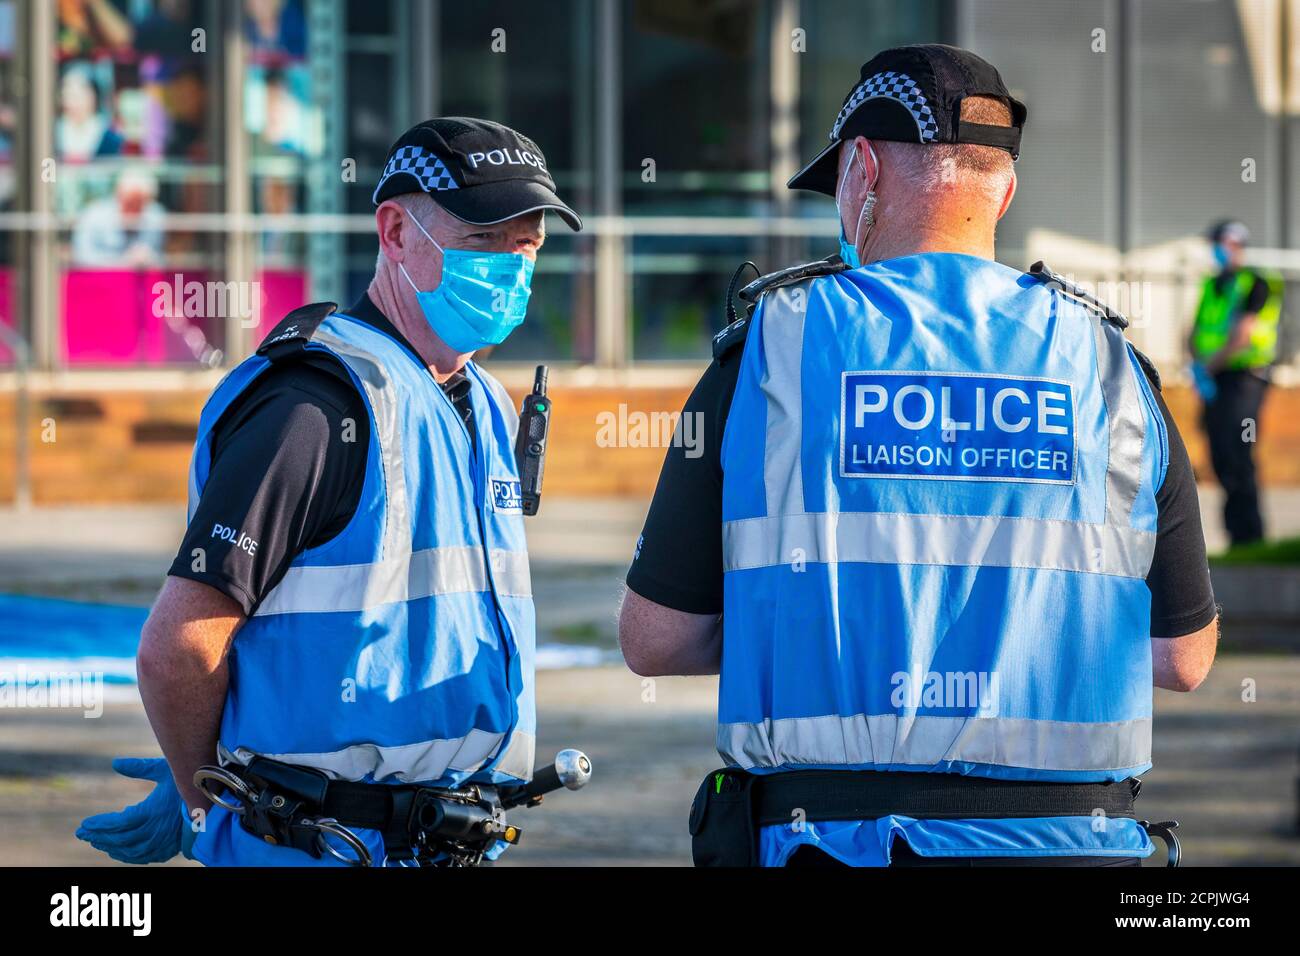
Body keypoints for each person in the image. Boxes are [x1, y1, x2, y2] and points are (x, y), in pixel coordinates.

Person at [619, 44, 1220, 867]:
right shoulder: (1113, 367)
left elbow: (657, 639)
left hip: (829, 842)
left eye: (836, 181)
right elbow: (1182, 657)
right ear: (1003, 188)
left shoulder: (771, 349)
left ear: (861, 169)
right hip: (1074, 842)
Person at [77, 117, 582, 866]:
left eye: (528, 244)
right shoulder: (314, 411)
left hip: (434, 841)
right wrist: (199, 792)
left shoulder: (482, 400)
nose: (512, 265)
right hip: (321, 844)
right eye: (482, 241)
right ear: (395, 232)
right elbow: (178, 648)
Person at [1189, 220, 1282, 547]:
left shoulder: (1255, 282)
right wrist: (1195, 364)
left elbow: (1242, 336)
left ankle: (1250, 535)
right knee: (1219, 453)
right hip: (1216, 380)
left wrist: (1205, 368)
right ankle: (1235, 535)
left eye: (1219, 243)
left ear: (1233, 244)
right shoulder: (1214, 284)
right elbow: (1196, 330)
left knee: (1238, 451)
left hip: (1245, 378)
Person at [70, 168, 165, 267]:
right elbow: (82, 257)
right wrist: (122, 262)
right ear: (118, 195)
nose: (134, 210)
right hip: (100, 280)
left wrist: (149, 259)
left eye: (140, 204)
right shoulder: (92, 216)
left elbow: (161, 259)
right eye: (130, 203)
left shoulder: (155, 216)